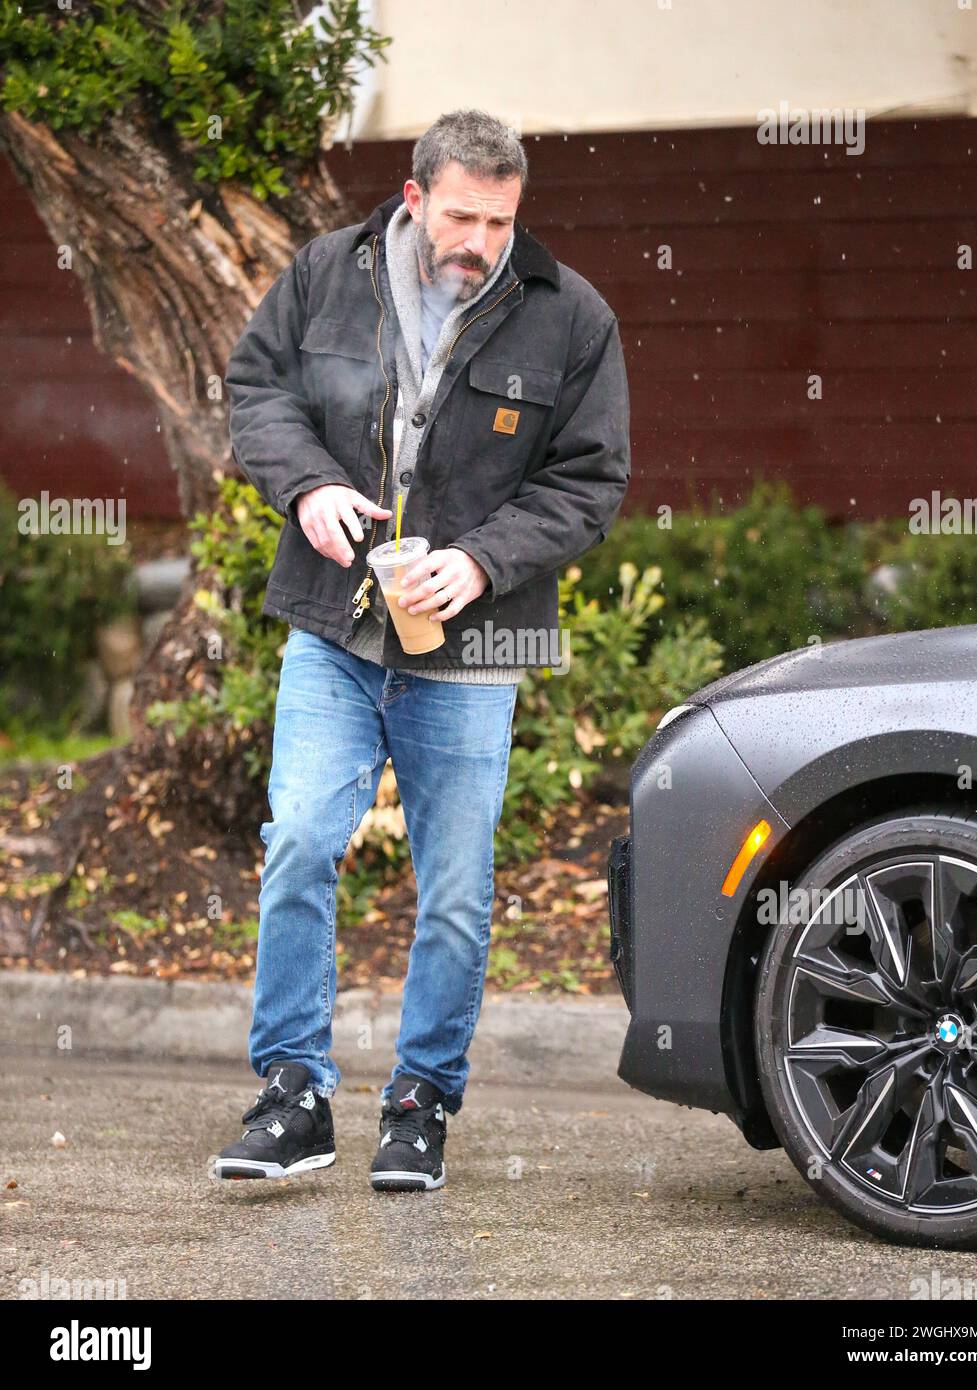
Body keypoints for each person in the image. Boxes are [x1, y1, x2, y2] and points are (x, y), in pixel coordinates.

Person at [213, 109, 630, 1190]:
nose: (480, 240)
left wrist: (485, 560)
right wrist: (305, 486)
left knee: (454, 884)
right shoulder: (326, 275)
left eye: (500, 220)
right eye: (461, 215)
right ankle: (294, 1093)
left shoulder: (570, 316)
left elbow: (589, 480)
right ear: (414, 198)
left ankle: (420, 1100)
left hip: (472, 640)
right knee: (301, 839)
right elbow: (254, 388)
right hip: (335, 623)